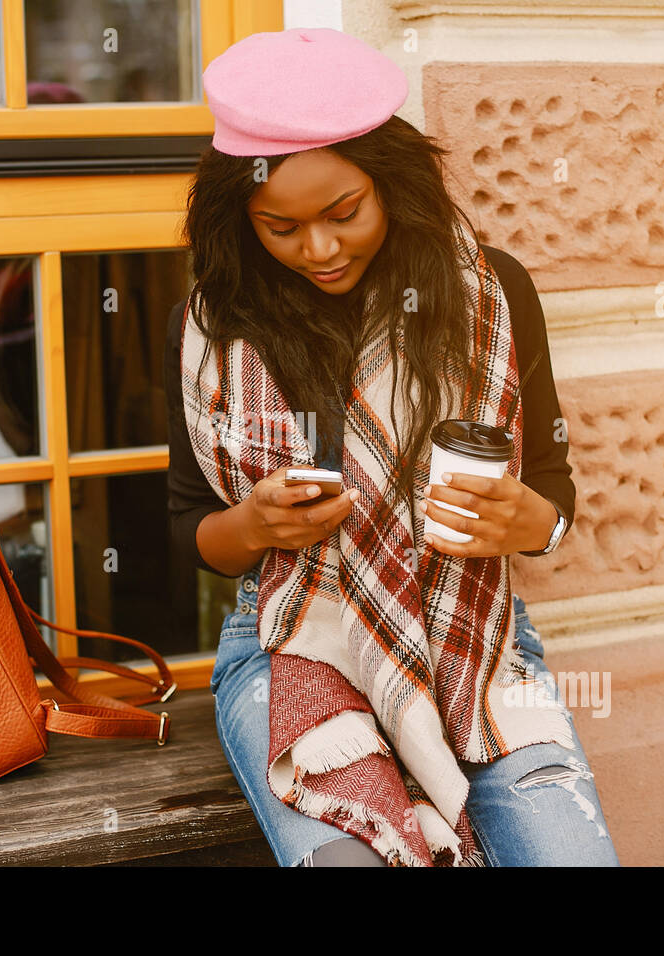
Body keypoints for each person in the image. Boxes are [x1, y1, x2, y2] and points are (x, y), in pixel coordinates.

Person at [164, 27, 620, 866]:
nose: (320, 249)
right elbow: (193, 530)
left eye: (344, 214)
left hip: (476, 644)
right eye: (282, 227)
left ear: (393, 187)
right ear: (242, 219)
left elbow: (552, 492)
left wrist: (528, 521)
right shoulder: (215, 329)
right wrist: (258, 526)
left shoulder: (489, 296)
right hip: (289, 645)